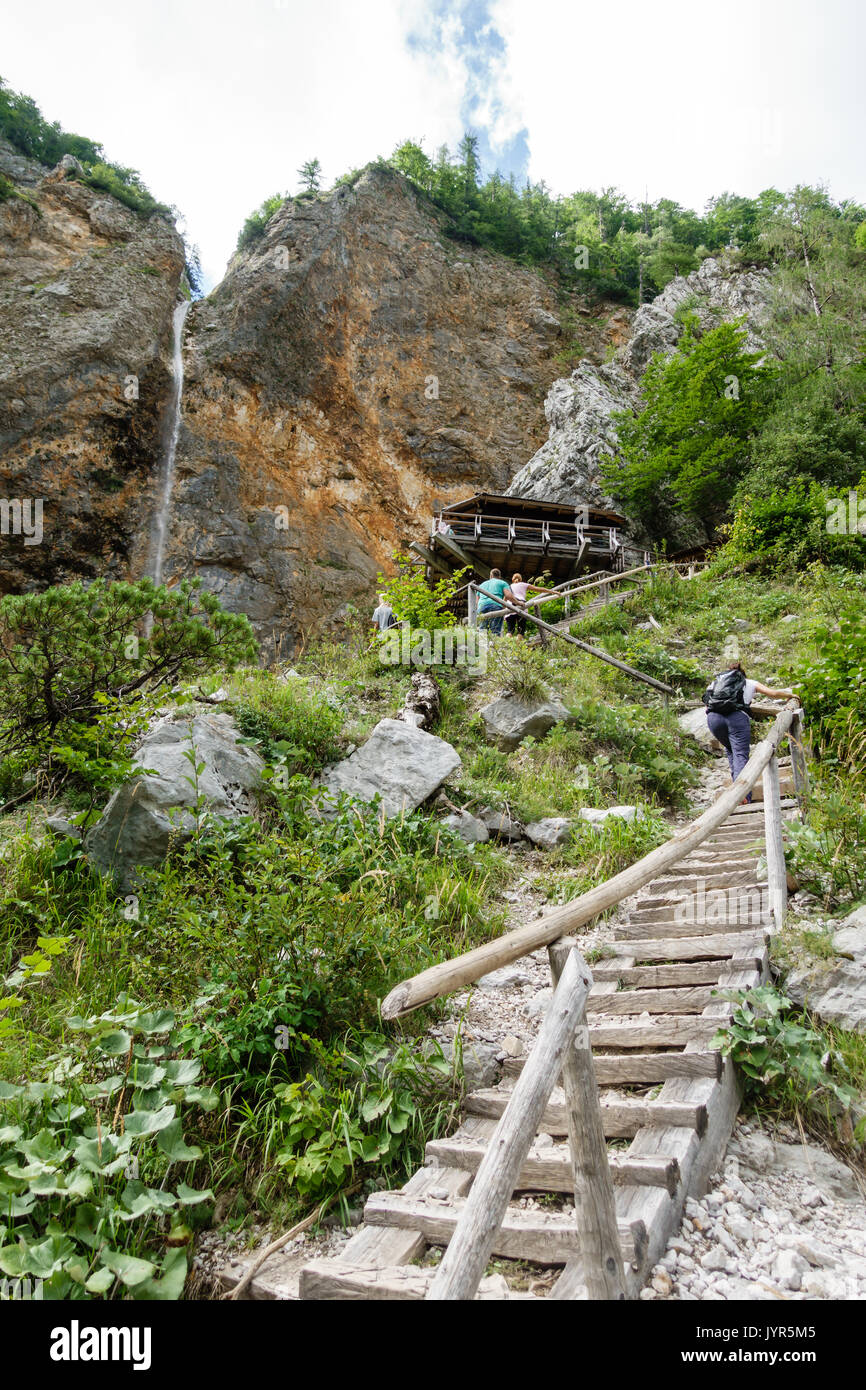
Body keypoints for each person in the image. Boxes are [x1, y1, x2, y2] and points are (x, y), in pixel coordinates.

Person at [703, 660, 800, 802]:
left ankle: (735, 791)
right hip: (737, 718)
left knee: (730, 750)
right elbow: (772, 693)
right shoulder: (749, 682)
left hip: (714, 719)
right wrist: (790, 695)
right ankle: (742, 796)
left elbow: (707, 705)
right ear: (743, 674)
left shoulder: (716, 683)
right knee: (740, 754)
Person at [476, 569, 514, 637]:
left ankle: (482, 646)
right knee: (495, 629)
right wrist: (518, 602)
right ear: (499, 576)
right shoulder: (502, 583)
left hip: (481, 607)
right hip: (495, 605)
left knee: (482, 629)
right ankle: (493, 646)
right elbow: (508, 595)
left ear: (490, 576)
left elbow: (477, 601)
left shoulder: (482, 585)